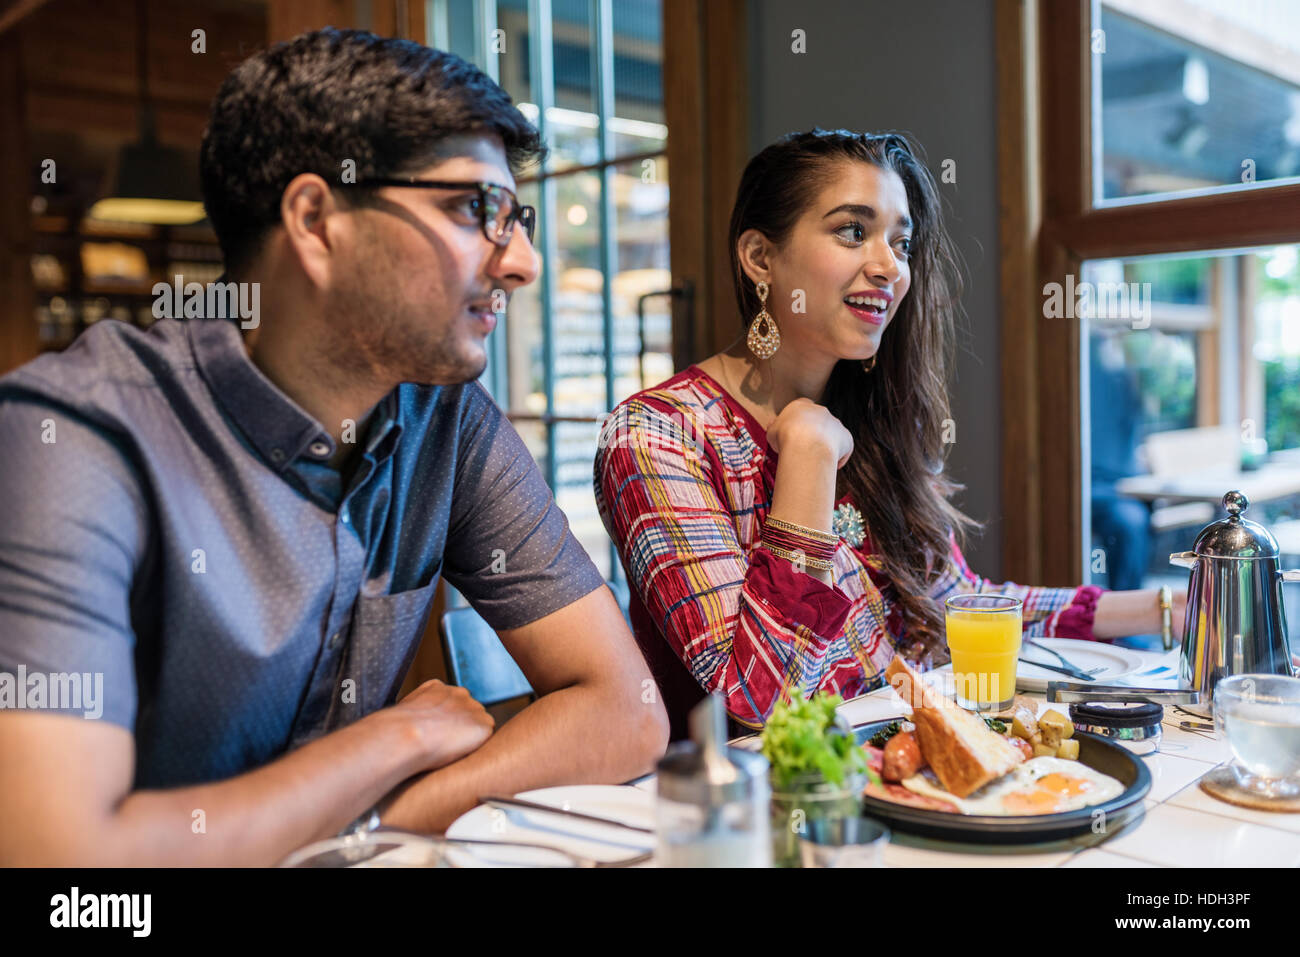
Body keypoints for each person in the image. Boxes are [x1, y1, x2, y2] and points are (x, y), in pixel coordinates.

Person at [0, 28, 667, 865]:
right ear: (317, 222)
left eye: (516, 217)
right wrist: (389, 740)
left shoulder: (447, 418)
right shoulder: (73, 438)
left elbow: (629, 707)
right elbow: (63, 862)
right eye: (476, 210)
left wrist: (366, 826)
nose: (522, 263)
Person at [594, 129, 1186, 740]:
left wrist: (1173, 607)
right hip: (770, 793)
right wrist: (809, 460)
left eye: (901, 243)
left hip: (909, 768)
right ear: (760, 258)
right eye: (853, 231)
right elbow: (759, 702)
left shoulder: (872, 419)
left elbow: (956, 603)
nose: (889, 267)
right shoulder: (659, 436)